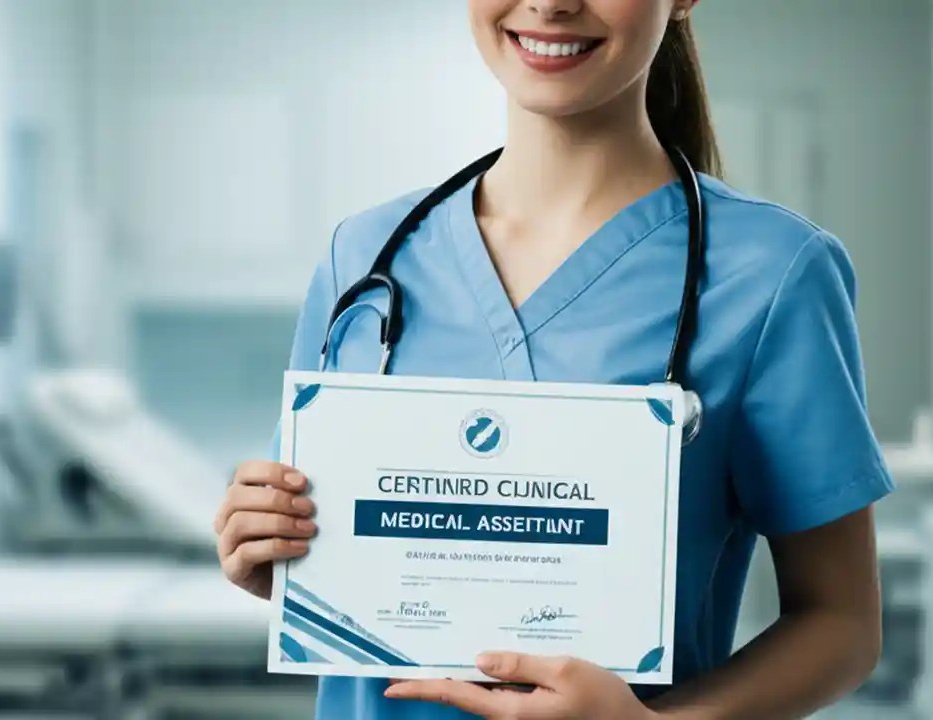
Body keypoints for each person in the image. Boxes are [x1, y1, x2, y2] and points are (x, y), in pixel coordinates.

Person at [212, 1, 895, 718]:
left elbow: (841, 623)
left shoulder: (771, 274)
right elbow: (309, 540)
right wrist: (272, 555)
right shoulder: (361, 256)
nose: (552, 3)